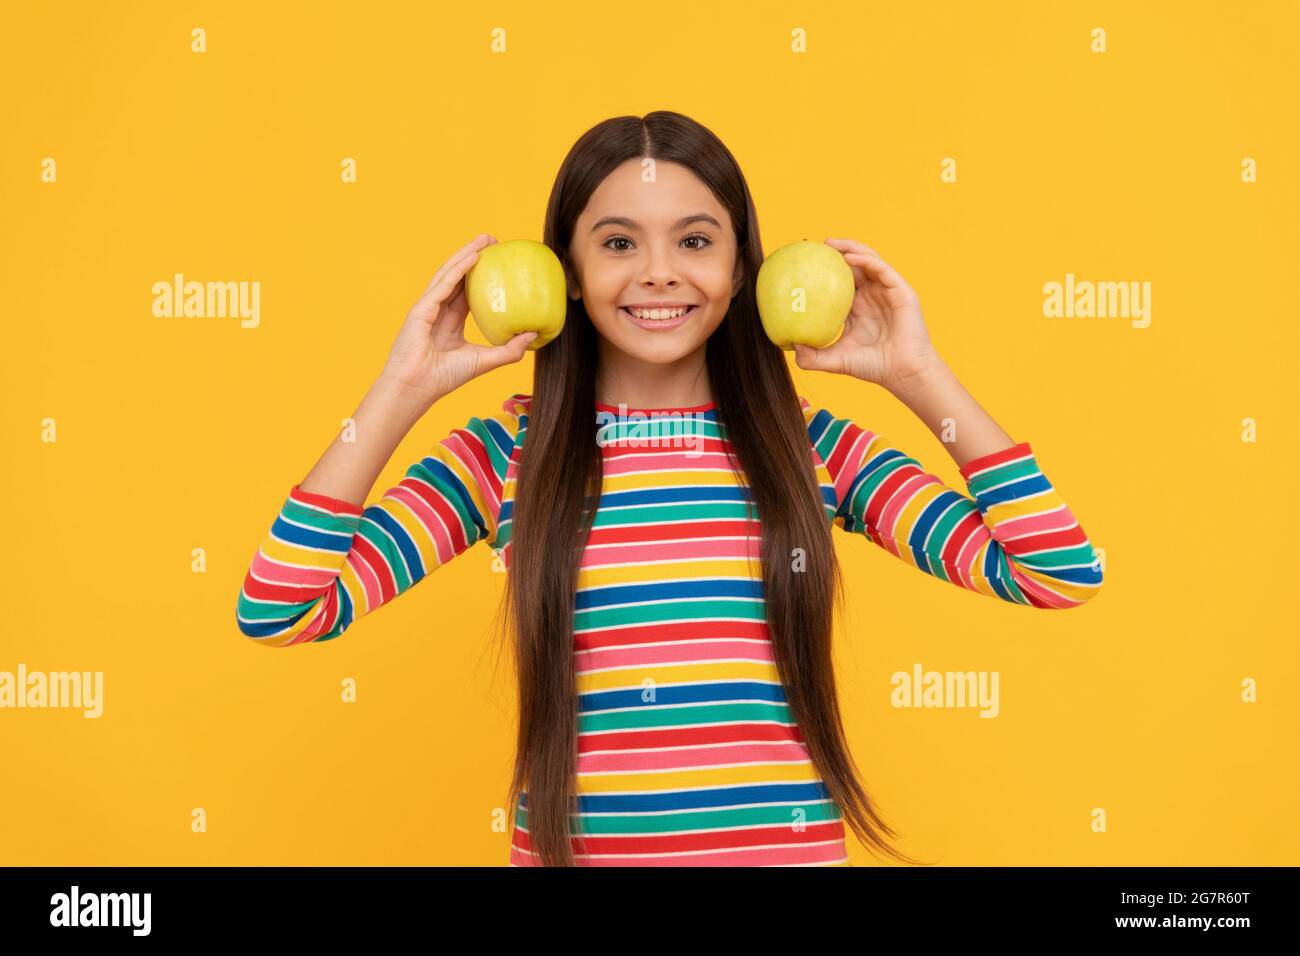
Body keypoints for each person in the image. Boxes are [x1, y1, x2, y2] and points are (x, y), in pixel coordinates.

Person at [235, 110, 1104, 867]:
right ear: (567, 270)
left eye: (694, 241)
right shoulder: (509, 453)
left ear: (740, 270)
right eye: (618, 243)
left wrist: (917, 372)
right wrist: (405, 387)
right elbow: (281, 608)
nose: (658, 273)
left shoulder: (810, 449)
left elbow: (1056, 571)